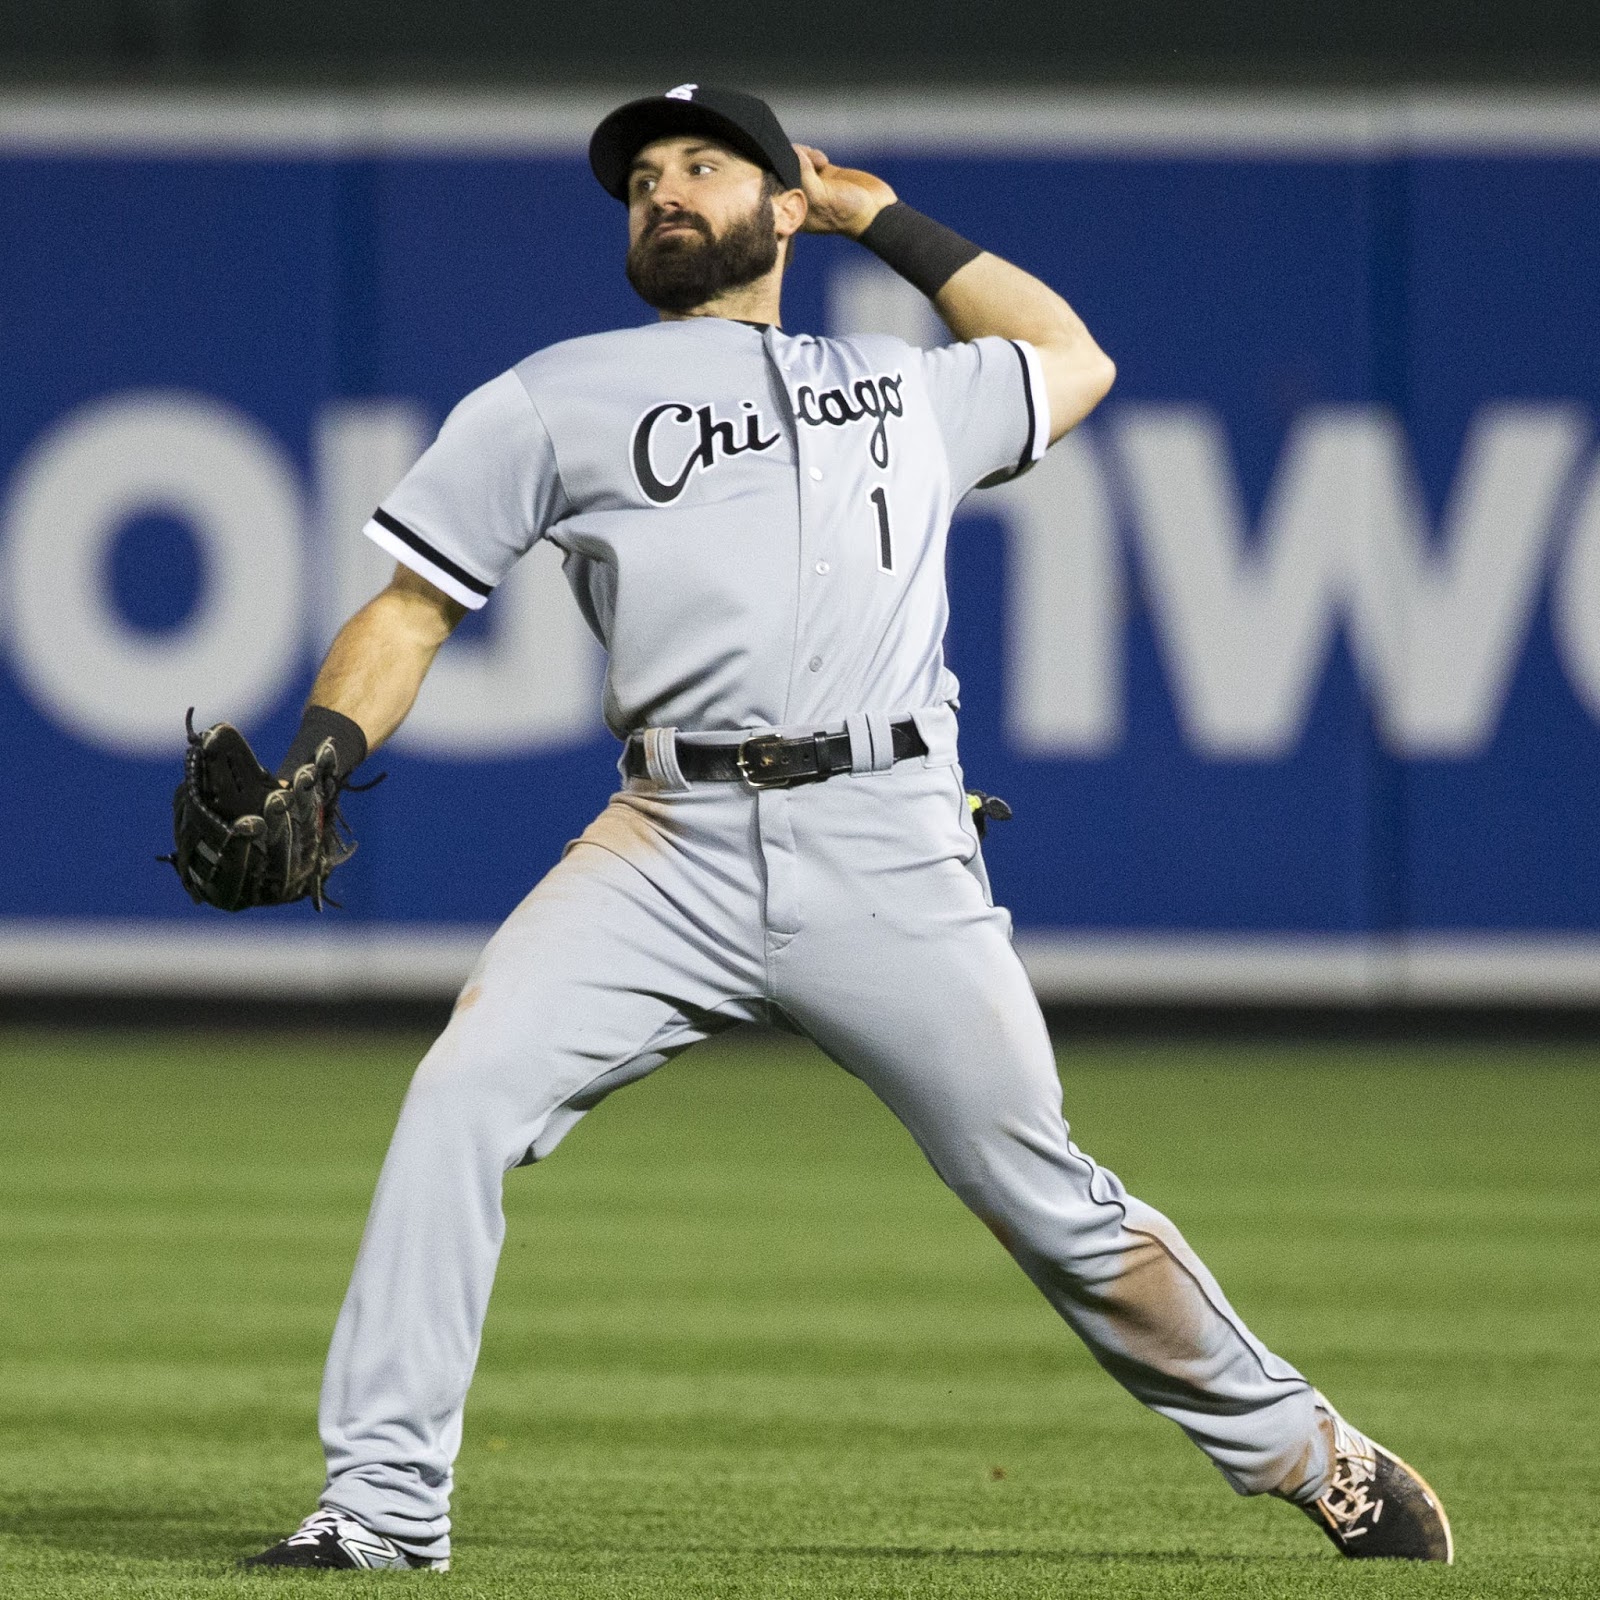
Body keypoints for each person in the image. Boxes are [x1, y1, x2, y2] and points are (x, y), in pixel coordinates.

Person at [241, 85, 1452, 1570]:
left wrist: (885, 218)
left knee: (1046, 1195)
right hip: (663, 843)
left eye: (704, 164)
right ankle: (379, 1514)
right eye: (642, 178)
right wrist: (317, 753)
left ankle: (1310, 1454)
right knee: (456, 1104)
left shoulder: (902, 383)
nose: (665, 190)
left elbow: (1074, 358)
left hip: (890, 839)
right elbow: (413, 607)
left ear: (782, 202)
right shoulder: (552, 393)